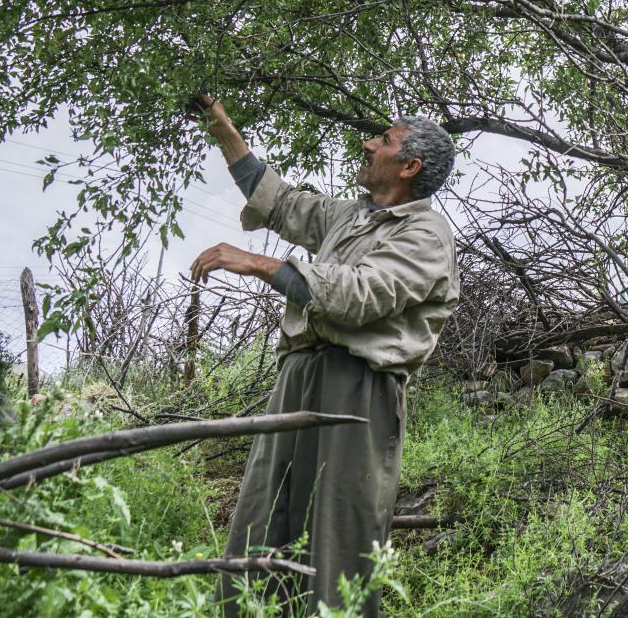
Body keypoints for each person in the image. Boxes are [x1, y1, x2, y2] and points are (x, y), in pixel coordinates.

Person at [185, 96, 458, 617]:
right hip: (298, 377)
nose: (369, 142)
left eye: (385, 139)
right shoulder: (350, 217)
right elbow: (281, 203)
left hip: (357, 391)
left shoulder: (426, 234)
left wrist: (261, 265)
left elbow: (359, 296)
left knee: (336, 541)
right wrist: (225, 132)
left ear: (409, 166)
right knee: (263, 519)